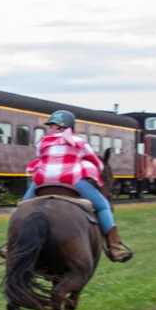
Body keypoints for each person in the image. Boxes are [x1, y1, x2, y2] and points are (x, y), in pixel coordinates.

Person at [16, 110, 133, 262]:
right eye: (51, 126)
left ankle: (13, 245)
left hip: (43, 180)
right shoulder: (78, 141)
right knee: (103, 206)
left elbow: (40, 157)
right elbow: (95, 161)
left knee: (23, 207)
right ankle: (114, 247)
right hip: (70, 179)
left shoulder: (43, 142)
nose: (52, 129)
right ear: (70, 126)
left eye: (53, 126)